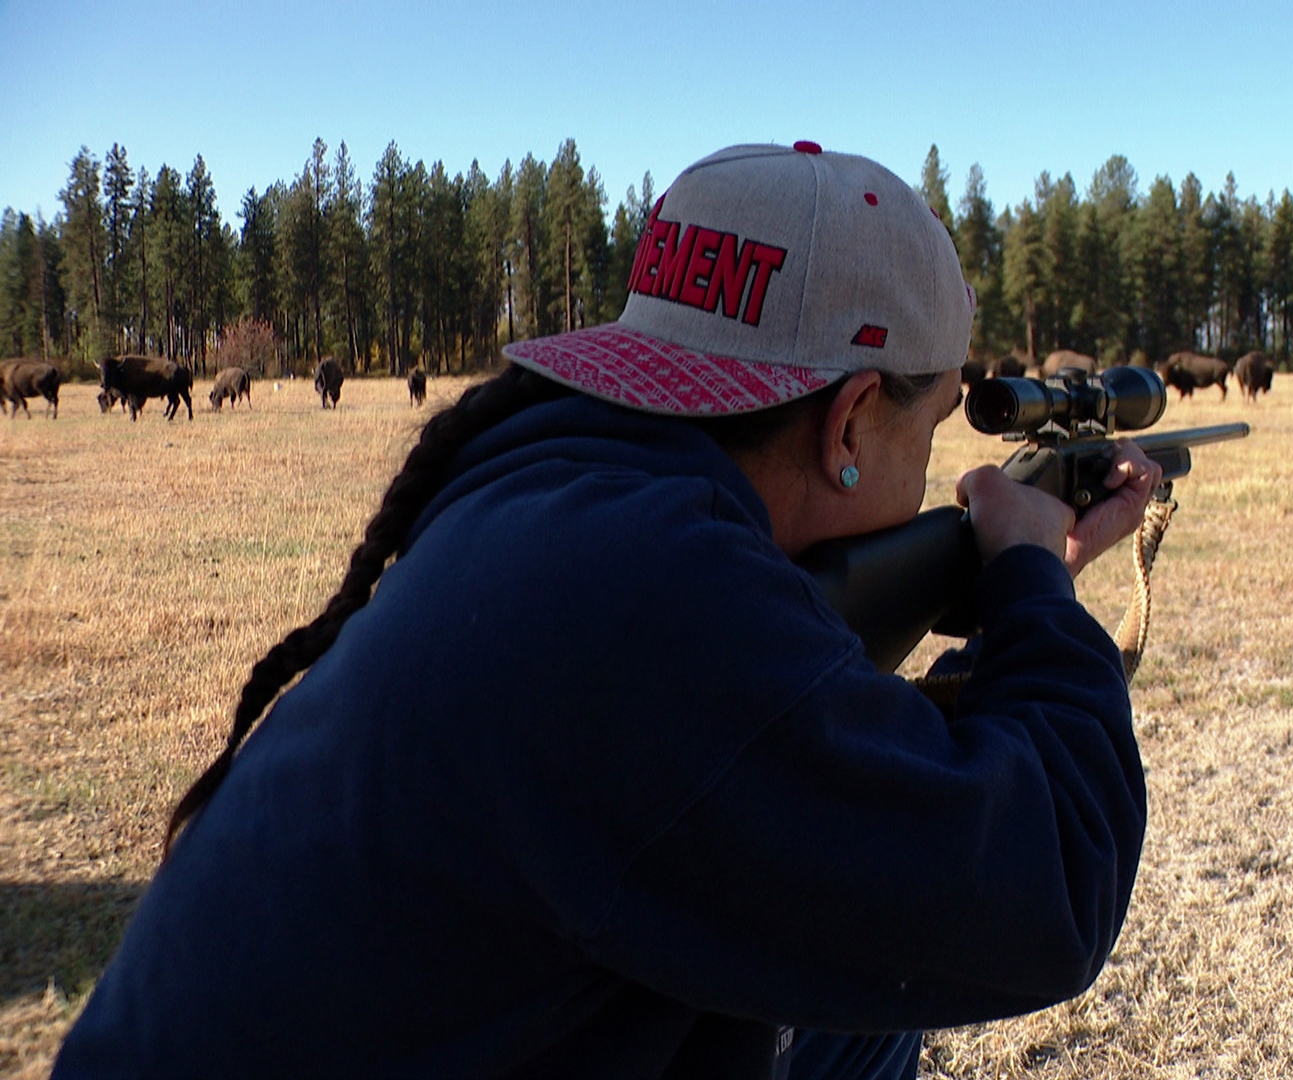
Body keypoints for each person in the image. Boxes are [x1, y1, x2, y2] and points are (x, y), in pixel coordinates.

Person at [54, 142, 1160, 1080]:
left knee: (856, 1018)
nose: (929, 474)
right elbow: (1052, 886)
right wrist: (1032, 582)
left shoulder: (564, 500)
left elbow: (798, 785)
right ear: (851, 423)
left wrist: (1002, 624)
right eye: (932, 432)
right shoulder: (658, 603)